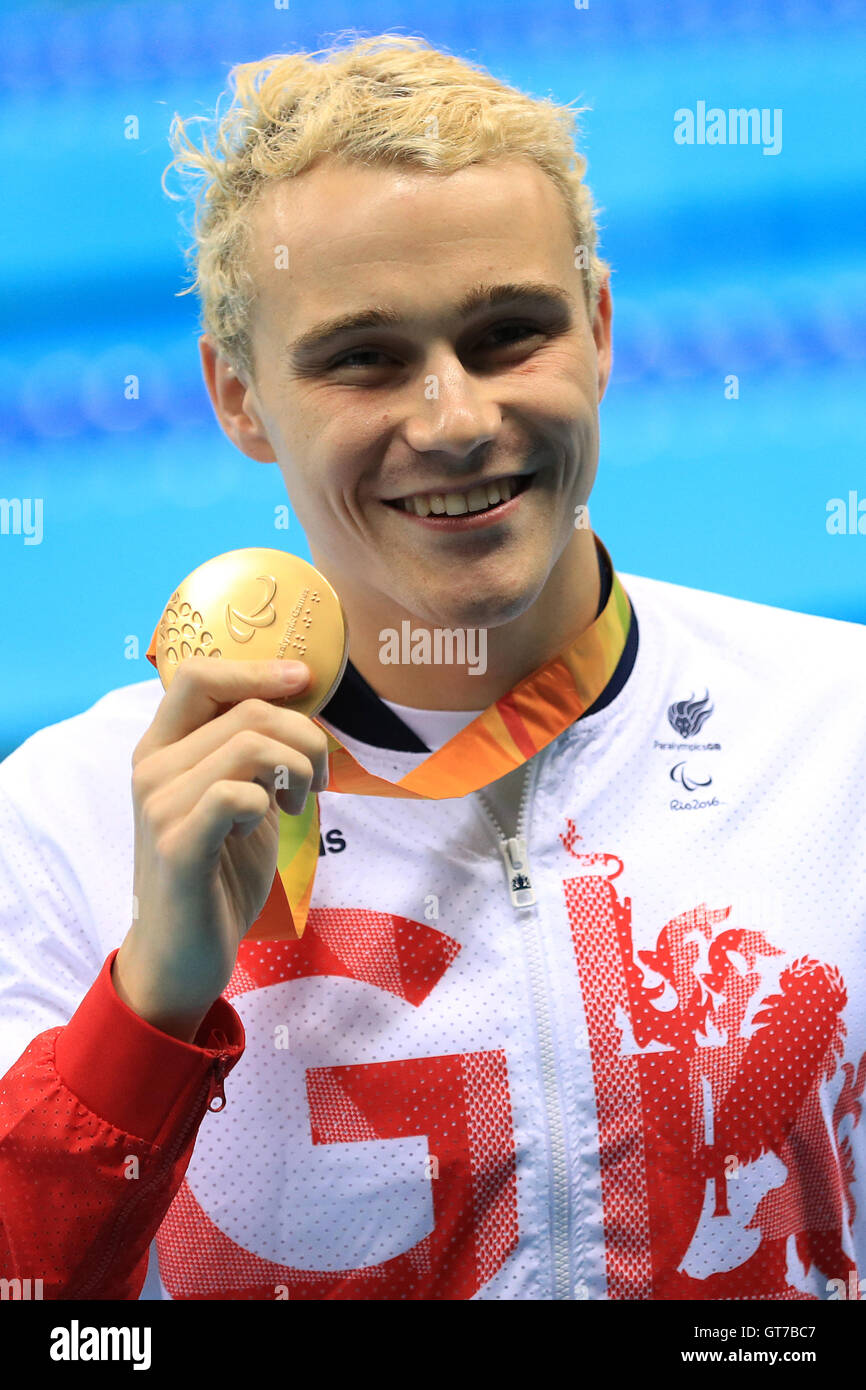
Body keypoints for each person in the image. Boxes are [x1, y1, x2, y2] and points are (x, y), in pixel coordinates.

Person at [1, 32, 865, 1303]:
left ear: (601, 328)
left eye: (508, 334)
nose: (454, 420)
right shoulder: (63, 825)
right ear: (237, 396)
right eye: (364, 357)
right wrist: (154, 997)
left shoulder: (834, 727)